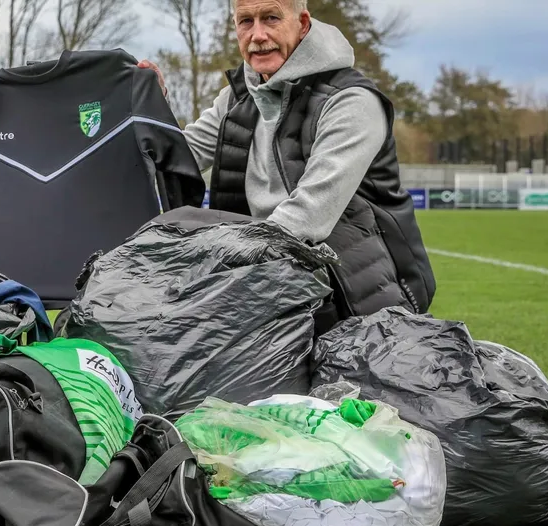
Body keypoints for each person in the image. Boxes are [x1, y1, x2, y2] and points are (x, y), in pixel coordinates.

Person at [140, 0, 435, 331]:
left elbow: (307, 215)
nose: (258, 35)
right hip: (274, 285)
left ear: (303, 23)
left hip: (362, 300)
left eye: (271, 18)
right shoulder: (236, 98)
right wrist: (151, 106)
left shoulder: (351, 101)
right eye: (245, 21)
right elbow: (179, 156)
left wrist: (213, 264)